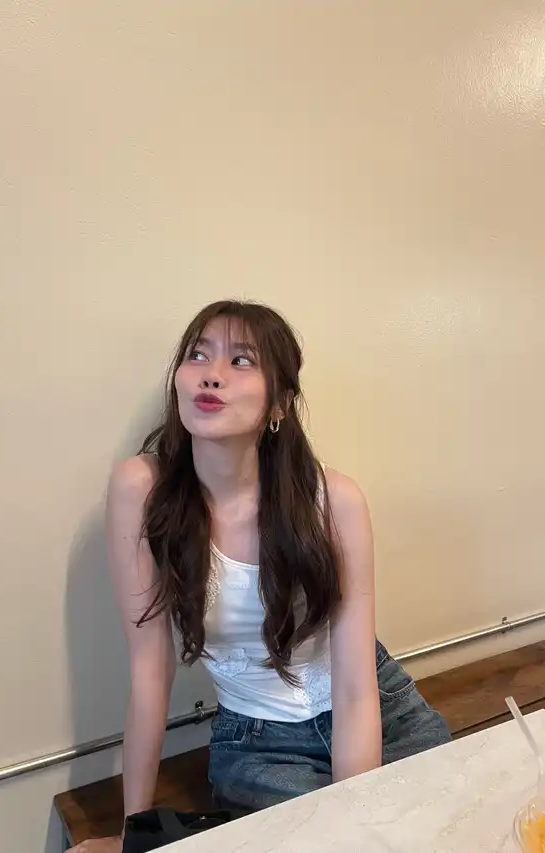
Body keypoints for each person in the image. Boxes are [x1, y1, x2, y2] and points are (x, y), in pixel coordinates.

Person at [68, 300, 450, 853]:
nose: (212, 374)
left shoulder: (334, 500)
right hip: (259, 743)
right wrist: (134, 837)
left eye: (241, 360)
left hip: (381, 710)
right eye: (198, 355)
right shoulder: (140, 490)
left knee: (440, 828)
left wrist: (358, 818)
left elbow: (354, 688)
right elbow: (150, 671)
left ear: (279, 404)